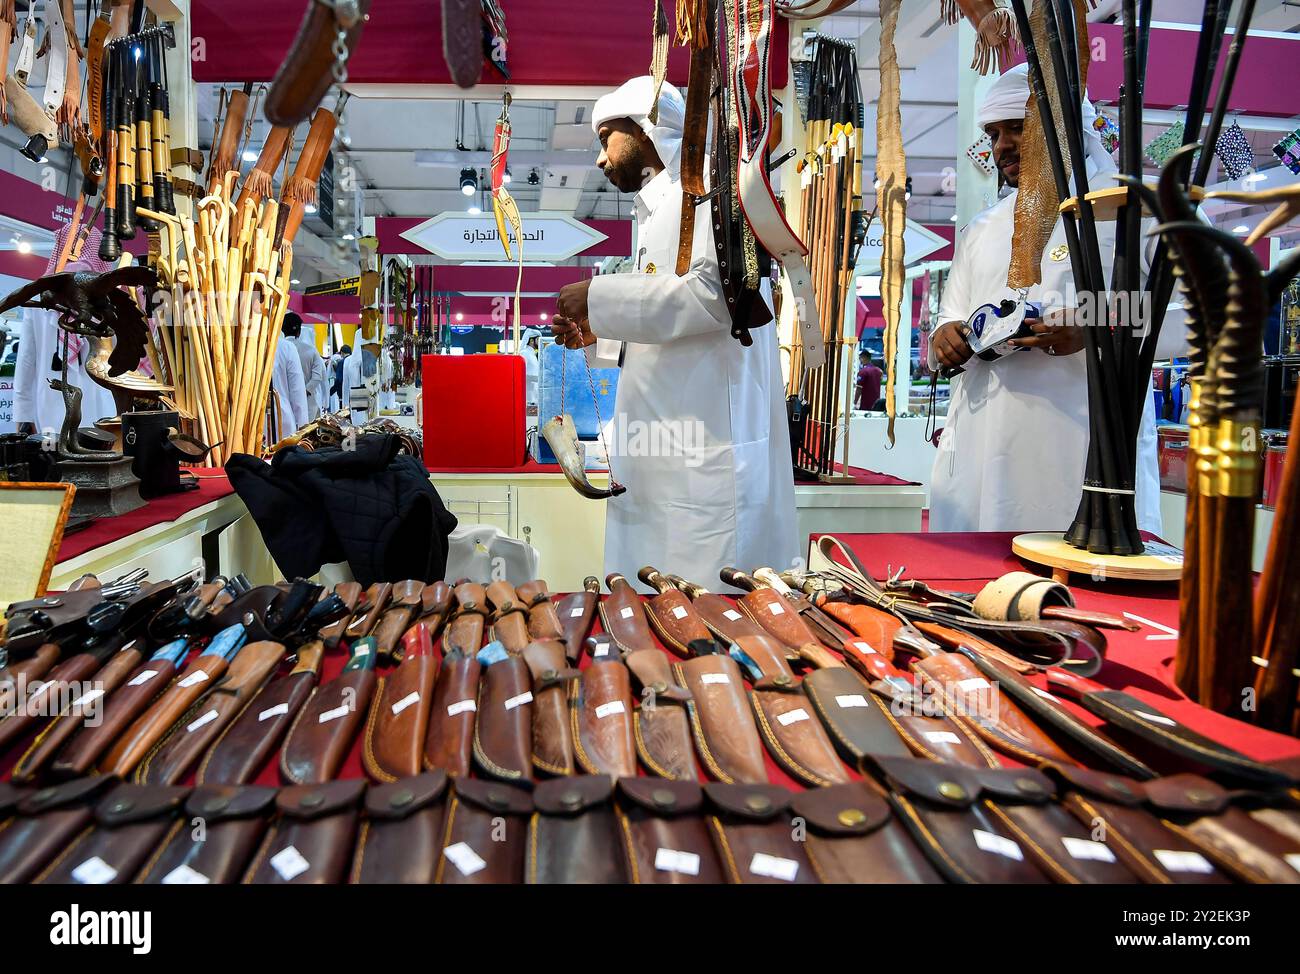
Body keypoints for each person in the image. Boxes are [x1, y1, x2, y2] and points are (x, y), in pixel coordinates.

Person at [550, 75, 798, 591]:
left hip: (706, 456)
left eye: (606, 139)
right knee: (653, 604)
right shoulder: (660, 210)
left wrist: (597, 297)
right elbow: (669, 317)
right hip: (663, 452)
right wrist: (602, 335)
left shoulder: (710, 193)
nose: (601, 159)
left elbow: (717, 295)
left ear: (646, 129)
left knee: (709, 610)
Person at [928, 64, 1183, 534]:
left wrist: (1094, 326)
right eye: (994, 132)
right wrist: (945, 337)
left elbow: (1209, 315)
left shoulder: (1138, 208)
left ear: (1068, 129)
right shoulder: (982, 229)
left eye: (1018, 128)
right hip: (980, 459)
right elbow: (952, 315)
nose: (1001, 145)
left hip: (1086, 455)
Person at [282, 312, 327, 422]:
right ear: (299, 332)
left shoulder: (275, 351)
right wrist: (303, 392)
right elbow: (317, 377)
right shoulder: (311, 350)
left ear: (282, 329)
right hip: (308, 403)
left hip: (282, 403)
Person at [271, 319, 309, 438]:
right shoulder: (286, 348)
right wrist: (303, 429)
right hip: (283, 421)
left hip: (250, 424)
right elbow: (297, 392)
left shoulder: (244, 347)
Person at [330, 345, 351, 413]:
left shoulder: (342, 362)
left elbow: (339, 380)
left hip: (343, 392)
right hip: (355, 392)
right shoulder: (354, 361)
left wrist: (331, 391)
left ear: (342, 353)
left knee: (344, 412)